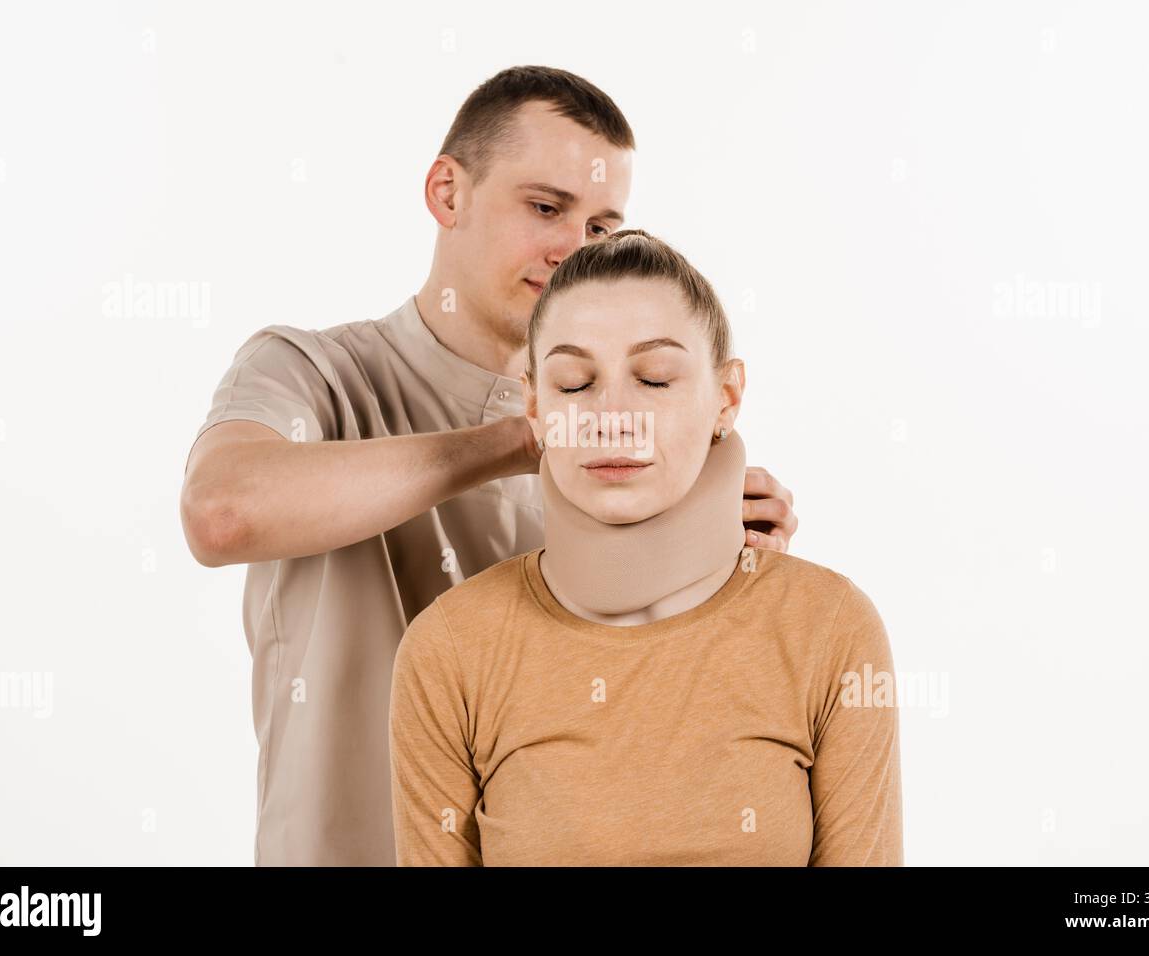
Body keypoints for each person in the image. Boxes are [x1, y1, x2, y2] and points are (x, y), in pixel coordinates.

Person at [179, 67, 799, 866]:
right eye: (546, 208)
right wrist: (523, 440)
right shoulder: (311, 372)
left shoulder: (626, 446)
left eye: (604, 228)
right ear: (447, 192)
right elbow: (223, 511)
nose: (576, 251)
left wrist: (731, 579)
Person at [389, 230, 903, 866]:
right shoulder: (450, 650)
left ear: (727, 397)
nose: (612, 415)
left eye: (655, 379)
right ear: (534, 402)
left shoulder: (829, 628)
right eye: (574, 384)